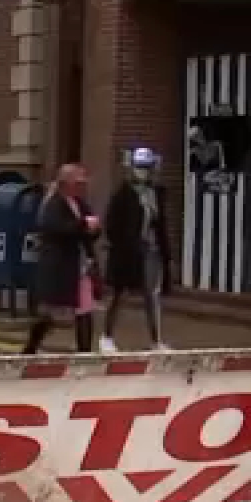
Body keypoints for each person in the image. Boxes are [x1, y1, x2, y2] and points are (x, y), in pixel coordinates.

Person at [23, 164, 101, 354]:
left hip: (80, 265)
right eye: (79, 182)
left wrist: (94, 229)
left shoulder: (79, 203)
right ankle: (31, 346)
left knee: (85, 309)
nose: (82, 186)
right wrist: (84, 225)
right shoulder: (53, 203)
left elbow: (88, 230)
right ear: (67, 183)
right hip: (59, 267)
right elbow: (57, 228)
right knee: (50, 313)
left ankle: (85, 353)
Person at [101, 147, 171, 352]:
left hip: (150, 251)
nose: (143, 172)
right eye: (139, 168)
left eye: (147, 168)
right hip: (126, 252)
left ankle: (156, 340)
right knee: (119, 294)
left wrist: (165, 253)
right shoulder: (122, 194)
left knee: (152, 295)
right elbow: (112, 225)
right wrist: (123, 244)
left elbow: (160, 224)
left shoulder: (156, 193)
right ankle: (106, 335)